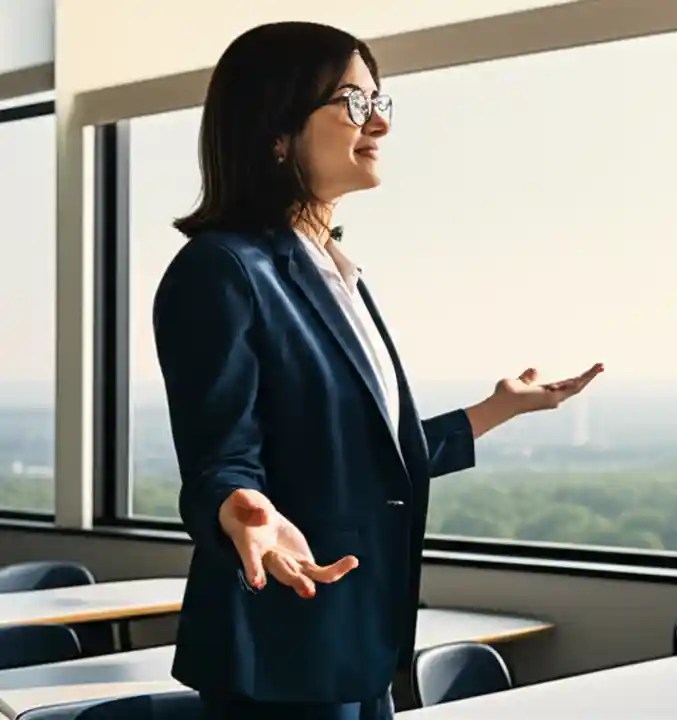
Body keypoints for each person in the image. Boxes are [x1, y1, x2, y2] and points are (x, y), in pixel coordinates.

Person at [153, 21, 602, 719]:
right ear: (275, 131)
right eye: (352, 103)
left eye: (380, 102)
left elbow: (369, 457)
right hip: (285, 644)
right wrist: (244, 513)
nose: (380, 124)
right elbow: (221, 460)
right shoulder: (223, 271)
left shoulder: (337, 275)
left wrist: (497, 409)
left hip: (360, 635)